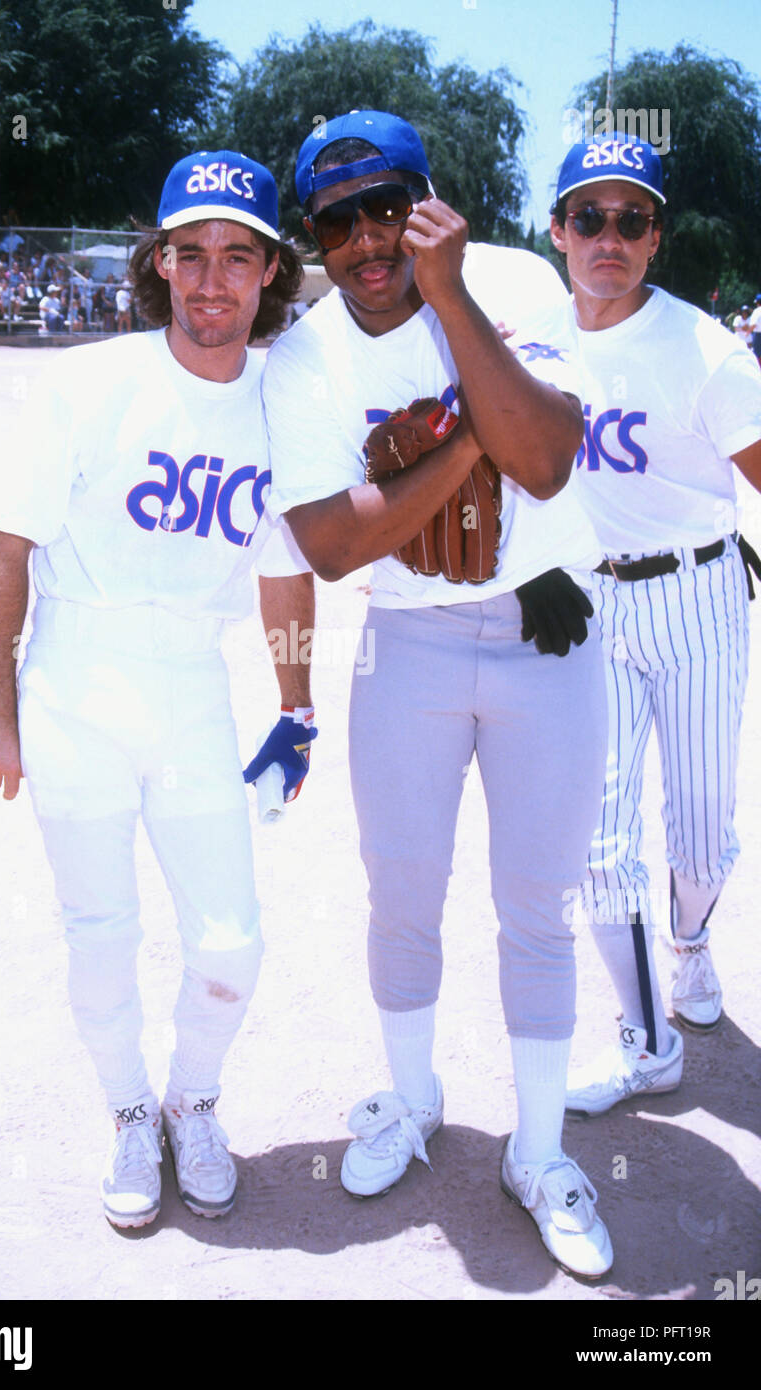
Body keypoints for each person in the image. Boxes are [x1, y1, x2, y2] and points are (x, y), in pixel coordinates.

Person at [262, 110, 614, 1279]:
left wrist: (449, 295)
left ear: (428, 201)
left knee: (536, 905)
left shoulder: (507, 279)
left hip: (542, 637)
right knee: (402, 891)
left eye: (386, 207)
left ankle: (540, 1150)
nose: (367, 240)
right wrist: (468, 445)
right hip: (405, 642)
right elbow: (331, 545)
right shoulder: (308, 356)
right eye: (337, 222)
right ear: (312, 237)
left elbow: (547, 457)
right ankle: (411, 1102)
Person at [0, 148, 315, 1231]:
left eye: (238, 256)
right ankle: (126, 1112)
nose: (212, 279)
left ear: (270, 273)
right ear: (158, 262)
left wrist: (296, 707)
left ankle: (192, 1102)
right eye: (189, 253)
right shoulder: (88, 383)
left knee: (232, 939)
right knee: (101, 931)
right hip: (75, 680)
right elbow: (5, 545)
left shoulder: (282, 400)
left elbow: (284, 565)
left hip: (193, 686)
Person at [547, 138, 761, 1116]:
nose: (610, 237)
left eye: (631, 219)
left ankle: (691, 940)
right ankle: (645, 1040)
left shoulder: (708, 354)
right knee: (597, 841)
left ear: (656, 237)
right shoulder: (530, 343)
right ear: (557, 231)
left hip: (697, 596)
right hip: (588, 603)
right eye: (588, 217)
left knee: (702, 835)